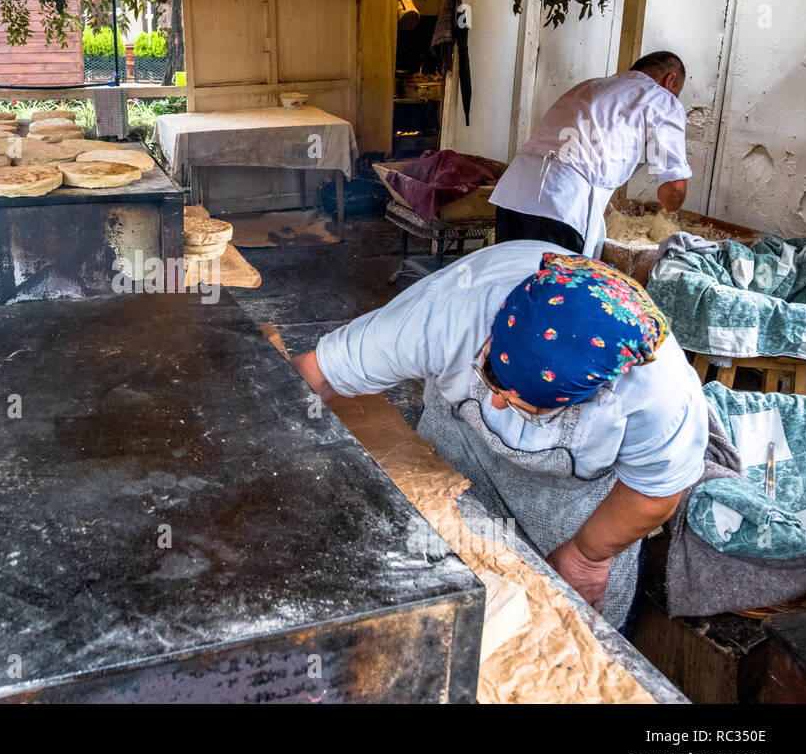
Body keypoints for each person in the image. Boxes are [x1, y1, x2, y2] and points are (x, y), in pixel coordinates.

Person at [291, 241, 709, 628]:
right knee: (435, 588)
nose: (494, 403)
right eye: (490, 376)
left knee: (570, 644)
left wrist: (586, 555)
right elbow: (319, 372)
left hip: (578, 508)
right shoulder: (448, 309)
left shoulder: (660, 394)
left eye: (524, 406)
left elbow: (653, 492)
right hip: (460, 447)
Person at [489, 51, 692, 257]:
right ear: (670, 80)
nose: (675, 98)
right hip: (561, 203)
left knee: (512, 280)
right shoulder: (663, 100)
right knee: (558, 286)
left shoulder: (592, 85)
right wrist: (668, 215)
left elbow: (588, 155)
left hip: (514, 194)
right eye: (677, 92)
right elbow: (673, 188)